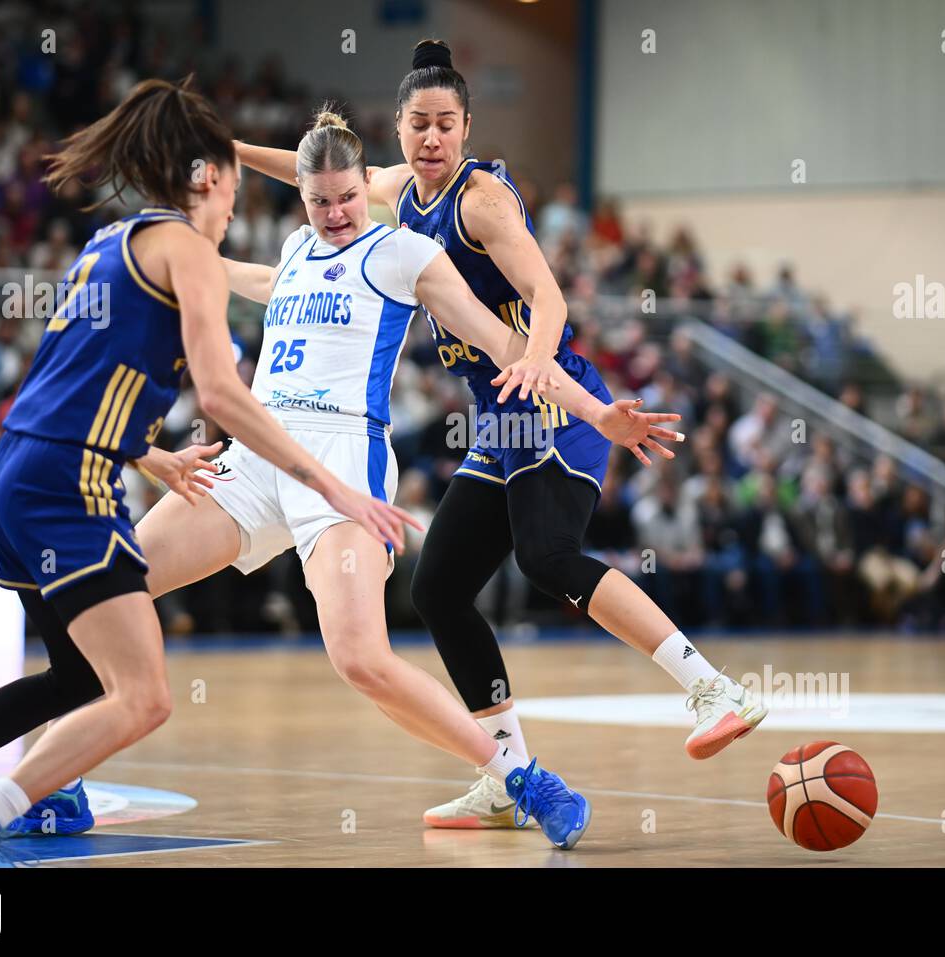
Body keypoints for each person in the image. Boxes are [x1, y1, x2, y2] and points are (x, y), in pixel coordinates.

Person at [0, 78, 418, 867]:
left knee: (76, 676)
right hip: (67, 489)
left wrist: (148, 453)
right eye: (234, 191)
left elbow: (66, 377)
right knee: (143, 695)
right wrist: (328, 482)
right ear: (210, 178)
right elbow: (221, 392)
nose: (235, 214)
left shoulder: (108, 244)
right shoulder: (187, 250)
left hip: (15, 471)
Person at [237, 39, 767, 830]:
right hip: (502, 419)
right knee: (438, 587)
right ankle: (504, 772)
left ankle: (713, 688)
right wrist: (231, 150)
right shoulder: (394, 193)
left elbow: (547, 297)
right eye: (418, 124)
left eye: (446, 125)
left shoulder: (479, 200)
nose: (431, 139)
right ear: (403, 129)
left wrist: (545, 372)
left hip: (551, 395)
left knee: (547, 556)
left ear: (466, 127)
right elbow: (320, 175)